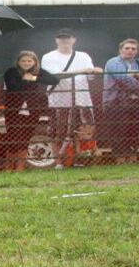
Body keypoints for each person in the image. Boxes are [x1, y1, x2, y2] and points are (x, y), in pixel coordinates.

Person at [41, 29, 103, 168]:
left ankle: (78, 159)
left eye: (67, 38)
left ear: (73, 40)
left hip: (82, 98)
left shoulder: (83, 56)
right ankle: (58, 162)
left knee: (83, 131)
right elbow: (55, 75)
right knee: (59, 132)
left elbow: (90, 75)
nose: (65, 41)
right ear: (56, 40)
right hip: (59, 100)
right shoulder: (48, 57)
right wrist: (81, 71)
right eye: (61, 38)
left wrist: (96, 72)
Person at [2, 50, 59, 171]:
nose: (26, 63)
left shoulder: (38, 72)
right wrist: (24, 79)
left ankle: (20, 167)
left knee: (25, 138)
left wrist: (34, 77)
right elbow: (13, 86)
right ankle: (8, 166)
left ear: (34, 62)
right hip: (13, 110)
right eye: (23, 60)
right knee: (12, 138)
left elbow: (54, 80)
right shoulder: (11, 72)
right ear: (18, 62)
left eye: (29, 60)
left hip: (32, 110)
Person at [102, 39, 139, 164]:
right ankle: (120, 159)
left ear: (136, 51)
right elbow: (122, 78)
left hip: (136, 102)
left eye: (133, 49)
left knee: (134, 130)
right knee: (118, 131)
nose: (130, 51)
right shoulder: (113, 62)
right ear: (120, 50)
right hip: (116, 102)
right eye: (127, 48)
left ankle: (132, 158)